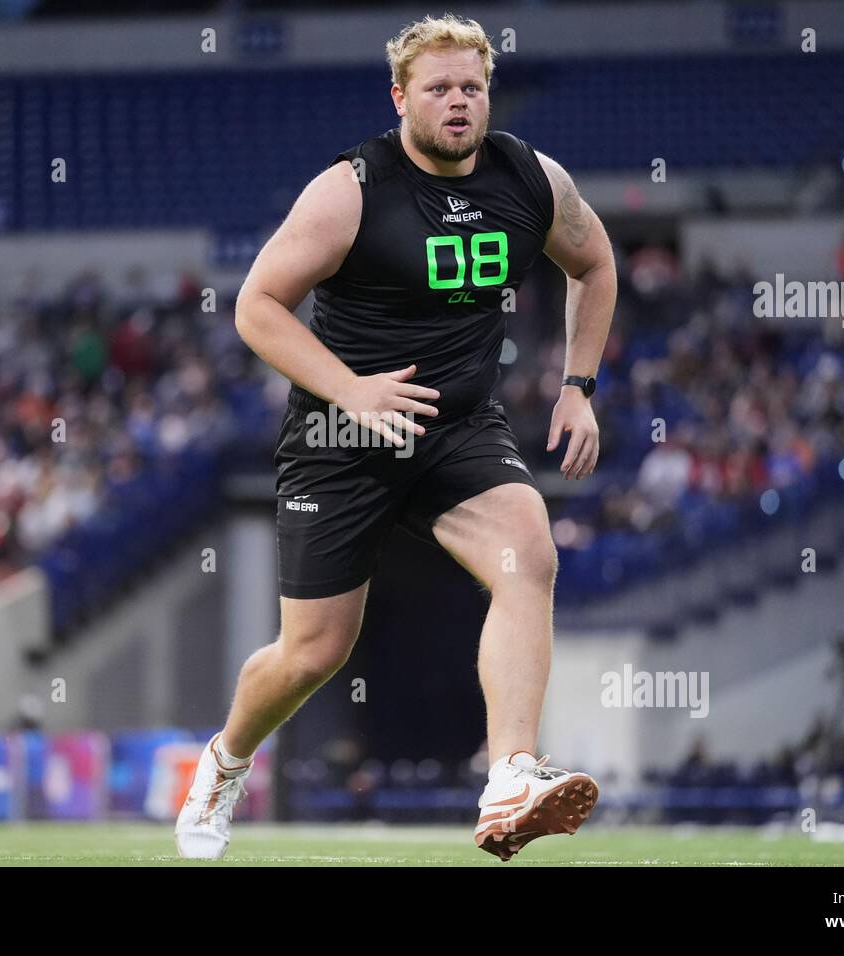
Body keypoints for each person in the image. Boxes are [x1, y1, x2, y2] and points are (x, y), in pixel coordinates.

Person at [176, 14, 616, 861]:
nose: (458, 103)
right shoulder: (351, 187)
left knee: (532, 555)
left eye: (472, 88)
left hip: (457, 429)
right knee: (314, 651)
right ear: (400, 97)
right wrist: (350, 388)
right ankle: (226, 763)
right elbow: (257, 306)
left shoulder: (532, 179)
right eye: (439, 89)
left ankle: (510, 776)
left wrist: (578, 388)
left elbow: (595, 264)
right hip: (341, 435)